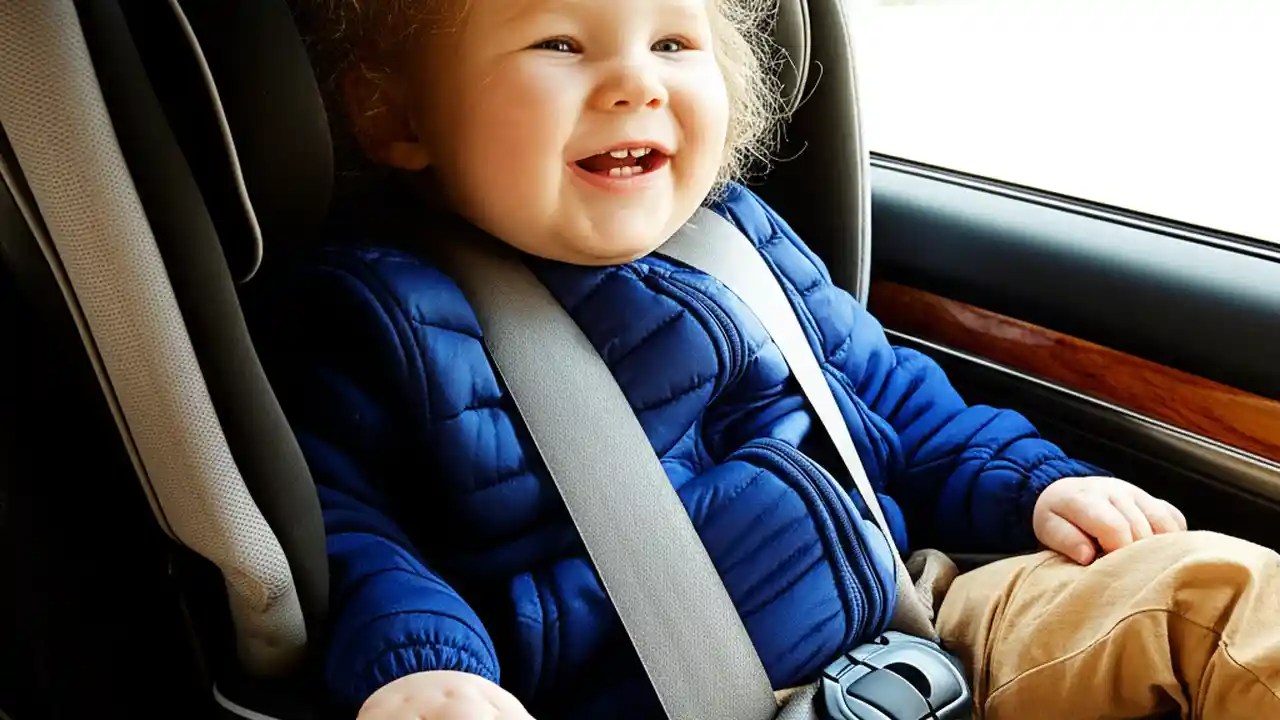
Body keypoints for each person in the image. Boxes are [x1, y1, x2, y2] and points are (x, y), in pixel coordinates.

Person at [262, 0, 1280, 717]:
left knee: (1211, 598)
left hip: (917, 622)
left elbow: (900, 411)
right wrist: (423, 669)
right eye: (560, 42)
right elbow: (354, 536)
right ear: (394, 117)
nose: (634, 80)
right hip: (637, 689)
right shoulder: (376, 313)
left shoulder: (742, 243)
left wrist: (1034, 484)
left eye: (671, 38)